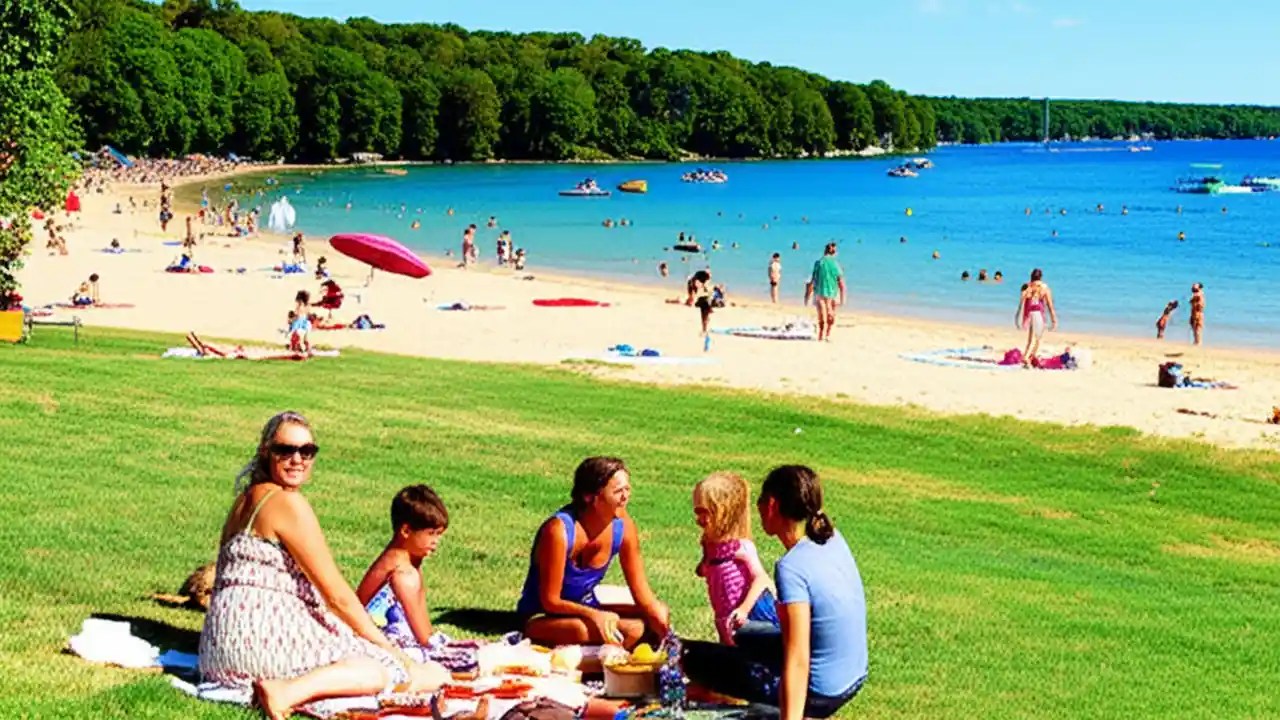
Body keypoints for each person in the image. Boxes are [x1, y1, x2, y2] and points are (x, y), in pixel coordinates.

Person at [199, 413, 448, 720]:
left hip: (216, 648)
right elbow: (337, 596)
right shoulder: (287, 503)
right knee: (383, 669)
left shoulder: (244, 502)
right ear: (266, 452)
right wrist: (389, 649)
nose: (297, 459)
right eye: (285, 450)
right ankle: (286, 692)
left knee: (393, 663)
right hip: (260, 638)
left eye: (307, 451)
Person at [681, 466, 867, 720]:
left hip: (822, 691)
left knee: (695, 659)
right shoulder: (832, 538)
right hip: (853, 675)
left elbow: (798, 657)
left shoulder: (791, 568)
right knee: (745, 636)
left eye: (760, 502)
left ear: (771, 505)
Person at [515, 457, 670, 649]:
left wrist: (662, 624)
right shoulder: (558, 531)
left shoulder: (624, 527)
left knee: (658, 612)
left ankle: (602, 656)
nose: (625, 497)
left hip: (586, 608)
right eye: (618, 491)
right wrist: (595, 615)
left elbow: (643, 595)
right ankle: (603, 661)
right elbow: (551, 601)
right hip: (542, 617)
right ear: (590, 497)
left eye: (627, 489)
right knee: (633, 630)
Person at [356, 485, 449, 656]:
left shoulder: (402, 559)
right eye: (431, 533)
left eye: (439, 534)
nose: (436, 541)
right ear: (406, 531)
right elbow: (426, 640)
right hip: (376, 649)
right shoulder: (404, 574)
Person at [693, 472, 779, 646]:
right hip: (724, 614)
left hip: (747, 616)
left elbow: (762, 580)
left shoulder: (741, 547)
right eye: (697, 512)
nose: (699, 519)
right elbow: (706, 569)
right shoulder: (710, 546)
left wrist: (744, 609)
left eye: (704, 513)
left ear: (724, 513)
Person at [803, 243, 846, 342]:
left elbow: (813, 280)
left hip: (820, 292)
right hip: (833, 293)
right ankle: (827, 334)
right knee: (831, 315)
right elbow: (840, 281)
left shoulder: (819, 263)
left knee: (822, 316)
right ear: (835, 253)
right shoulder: (835, 264)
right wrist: (843, 296)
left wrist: (807, 295)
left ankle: (821, 335)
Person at [1015, 268, 1058, 367]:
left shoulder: (1027, 287)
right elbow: (1050, 305)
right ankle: (1028, 357)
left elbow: (1021, 304)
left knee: (1031, 338)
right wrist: (1054, 319)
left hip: (1029, 313)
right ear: (1041, 277)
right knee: (1038, 338)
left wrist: (1017, 317)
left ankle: (1027, 356)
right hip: (1038, 314)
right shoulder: (1044, 288)